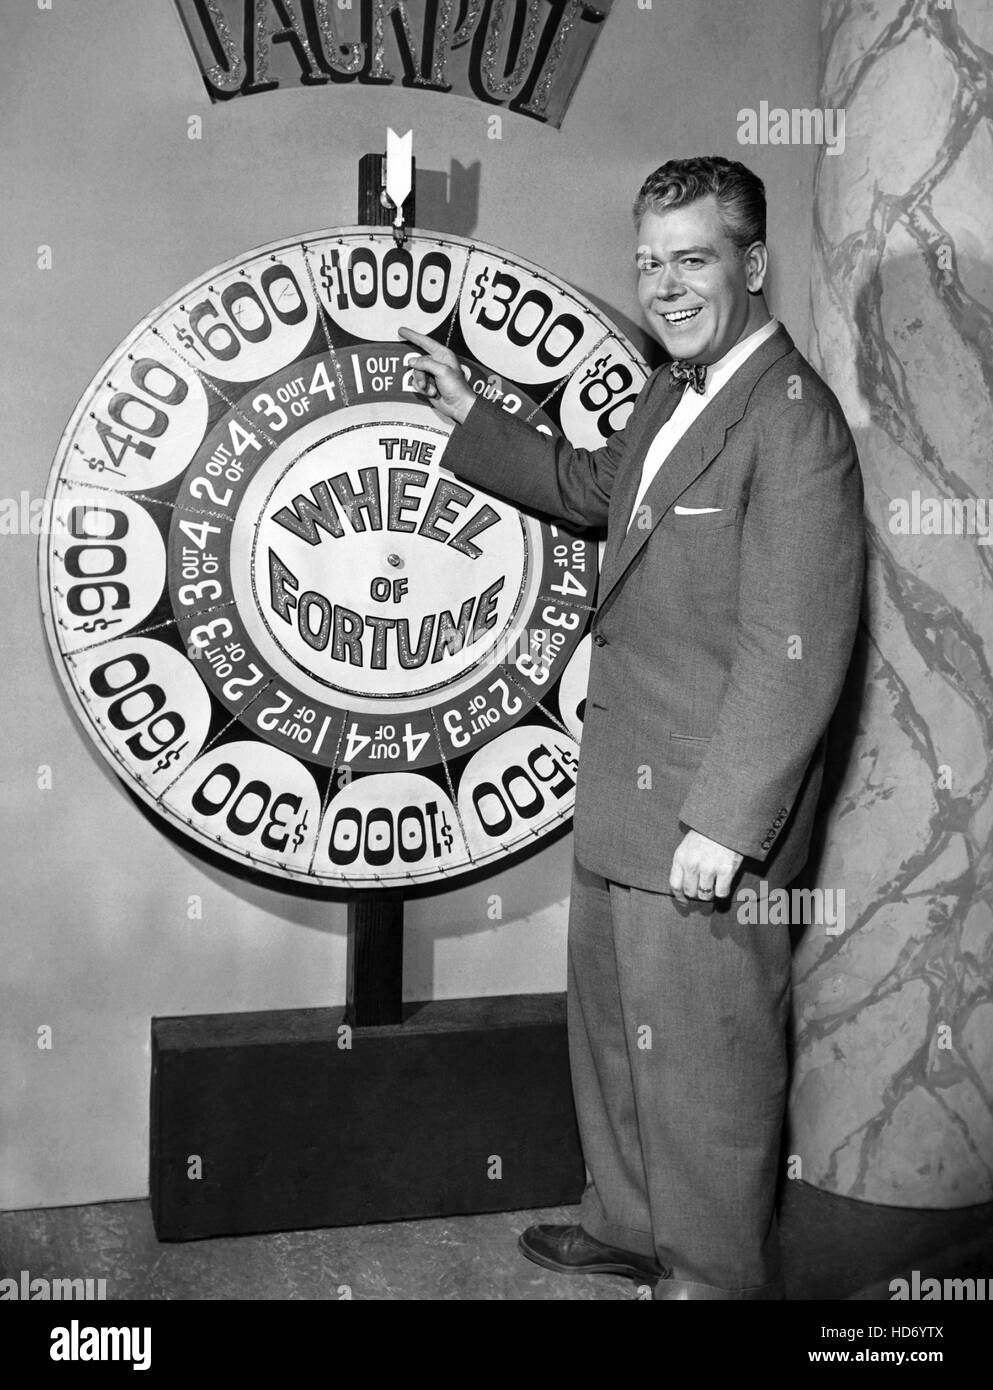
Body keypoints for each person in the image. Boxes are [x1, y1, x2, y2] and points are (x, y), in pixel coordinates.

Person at [400, 155, 864, 1301]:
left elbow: (794, 645)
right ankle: (630, 1222)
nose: (663, 285)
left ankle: (710, 1273)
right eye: (649, 260)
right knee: (615, 1040)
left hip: (706, 817)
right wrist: (479, 421)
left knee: (707, 1065)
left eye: (692, 258)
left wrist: (726, 823)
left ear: (753, 264)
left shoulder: (795, 421)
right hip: (623, 790)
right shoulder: (672, 387)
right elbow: (608, 486)